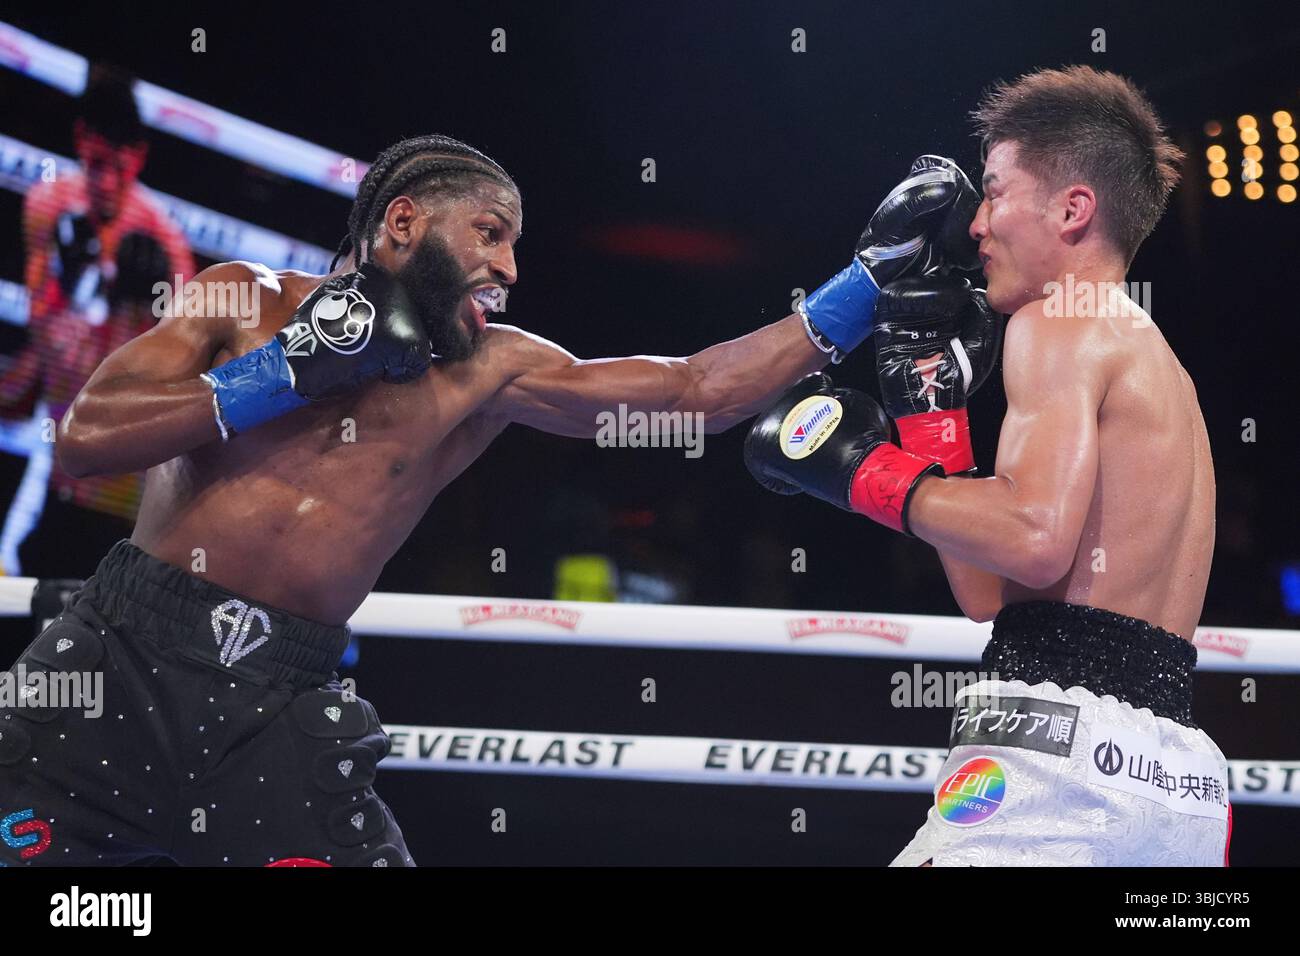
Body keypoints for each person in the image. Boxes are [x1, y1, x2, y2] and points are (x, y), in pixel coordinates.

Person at [0, 134, 975, 866]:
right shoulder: (241, 296)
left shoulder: (488, 371)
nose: (510, 267)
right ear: (404, 223)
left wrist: (864, 286)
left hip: (274, 705)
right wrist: (290, 371)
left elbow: (695, 391)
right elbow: (88, 433)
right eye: (491, 234)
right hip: (118, 660)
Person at [745, 66, 1230, 866]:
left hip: (1051, 770)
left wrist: (858, 471)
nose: (976, 225)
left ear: (1073, 209)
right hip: (1176, 787)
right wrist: (927, 416)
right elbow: (987, 591)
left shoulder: (1058, 325)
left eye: (997, 192)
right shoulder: (1155, 363)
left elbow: (1033, 538)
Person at [0, 65, 194, 575]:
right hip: (63, 459)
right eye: (95, 164)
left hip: (124, 487)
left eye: (119, 168)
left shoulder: (166, 244)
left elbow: (175, 374)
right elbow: (43, 324)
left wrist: (144, 310)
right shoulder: (47, 206)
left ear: (141, 158)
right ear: (80, 141)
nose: (106, 182)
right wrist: (73, 283)